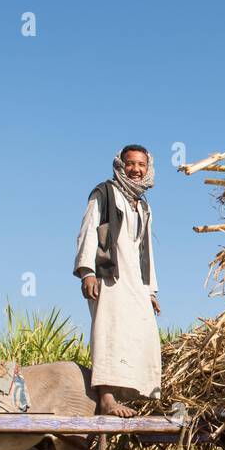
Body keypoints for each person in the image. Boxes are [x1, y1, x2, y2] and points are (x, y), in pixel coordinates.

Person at [74, 144, 162, 417]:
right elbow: (88, 230)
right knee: (109, 331)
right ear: (120, 165)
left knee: (143, 332)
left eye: (141, 165)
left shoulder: (143, 206)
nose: (135, 170)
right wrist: (87, 270)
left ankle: (139, 395)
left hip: (136, 280)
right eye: (130, 164)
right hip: (108, 275)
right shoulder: (105, 193)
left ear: (148, 168)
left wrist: (150, 290)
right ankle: (107, 399)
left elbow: (145, 250)